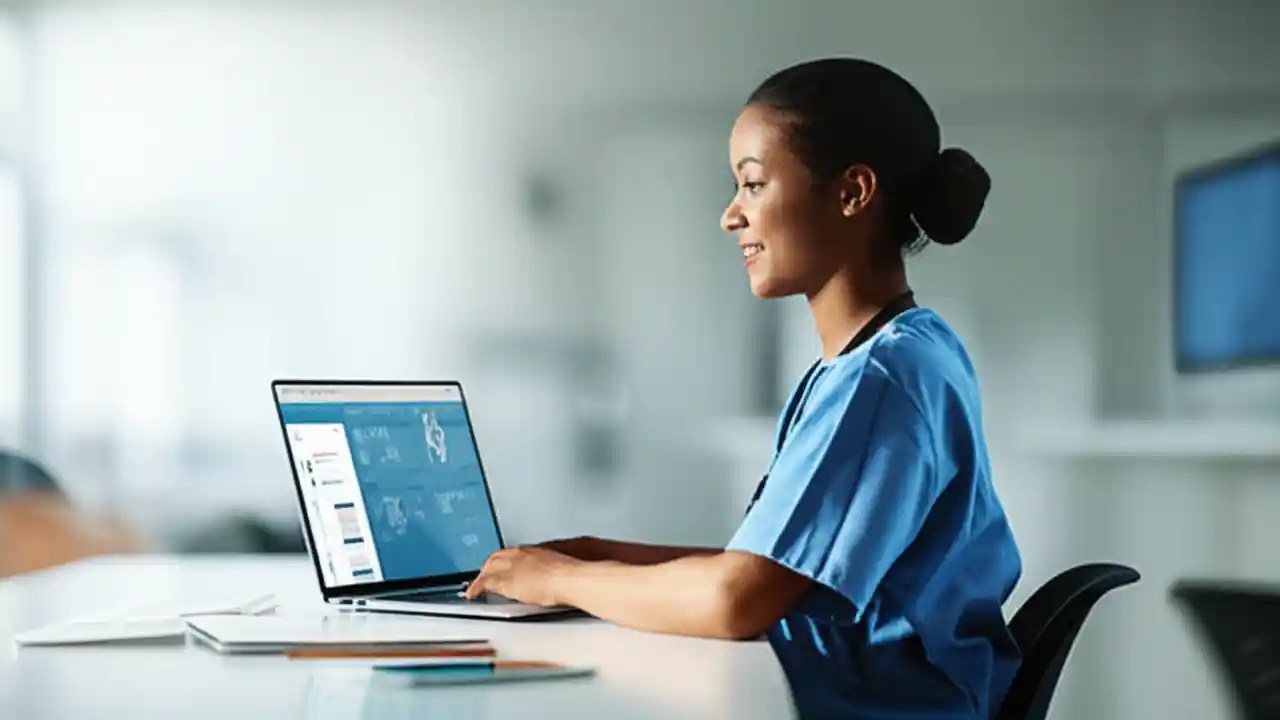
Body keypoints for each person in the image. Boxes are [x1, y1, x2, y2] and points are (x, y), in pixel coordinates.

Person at [464, 58, 1022, 717]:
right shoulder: (897, 353)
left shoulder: (881, 376)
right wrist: (599, 559)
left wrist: (561, 578)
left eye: (754, 185)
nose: (731, 216)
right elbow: (774, 573)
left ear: (852, 193)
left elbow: (739, 599)